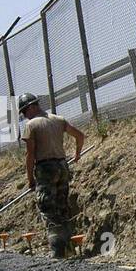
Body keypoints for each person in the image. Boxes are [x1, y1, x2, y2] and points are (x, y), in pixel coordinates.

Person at [18, 93, 84, 258]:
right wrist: (77, 155)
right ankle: (70, 248)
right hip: (62, 167)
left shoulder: (31, 125)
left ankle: (57, 251)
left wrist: (31, 180)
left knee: (47, 208)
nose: (25, 116)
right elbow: (80, 136)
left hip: (45, 168)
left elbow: (30, 154)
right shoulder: (58, 119)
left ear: (32, 107)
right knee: (62, 206)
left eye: (25, 112)